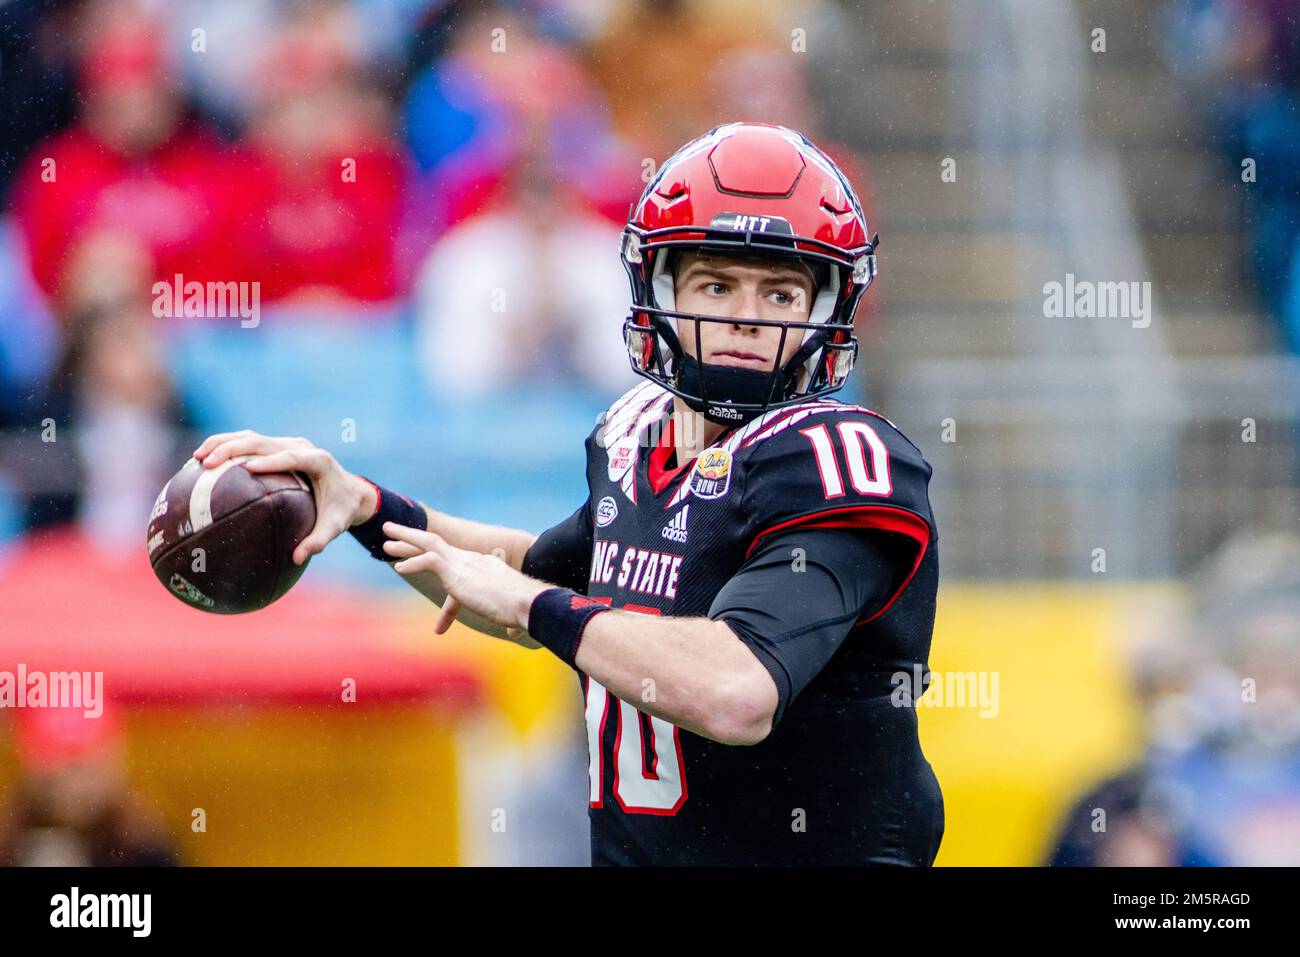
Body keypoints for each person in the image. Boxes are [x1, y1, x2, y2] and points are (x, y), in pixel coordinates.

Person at [192, 123, 944, 866]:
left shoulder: (840, 461)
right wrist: (364, 505)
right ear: (660, 288)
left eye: (779, 292)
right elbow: (547, 580)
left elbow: (734, 689)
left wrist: (528, 603)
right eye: (716, 284)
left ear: (824, 310)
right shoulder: (637, 433)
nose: (744, 317)